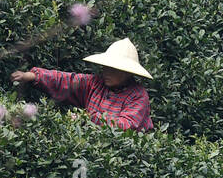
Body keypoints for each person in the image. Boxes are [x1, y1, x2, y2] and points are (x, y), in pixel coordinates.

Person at [11, 37, 153, 131]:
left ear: (126, 72)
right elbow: (67, 80)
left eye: (113, 69)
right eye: (106, 67)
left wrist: (87, 118)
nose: (106, 72)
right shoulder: (96, 83)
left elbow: (125, 125)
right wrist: (33, 76)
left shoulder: (138, 96)